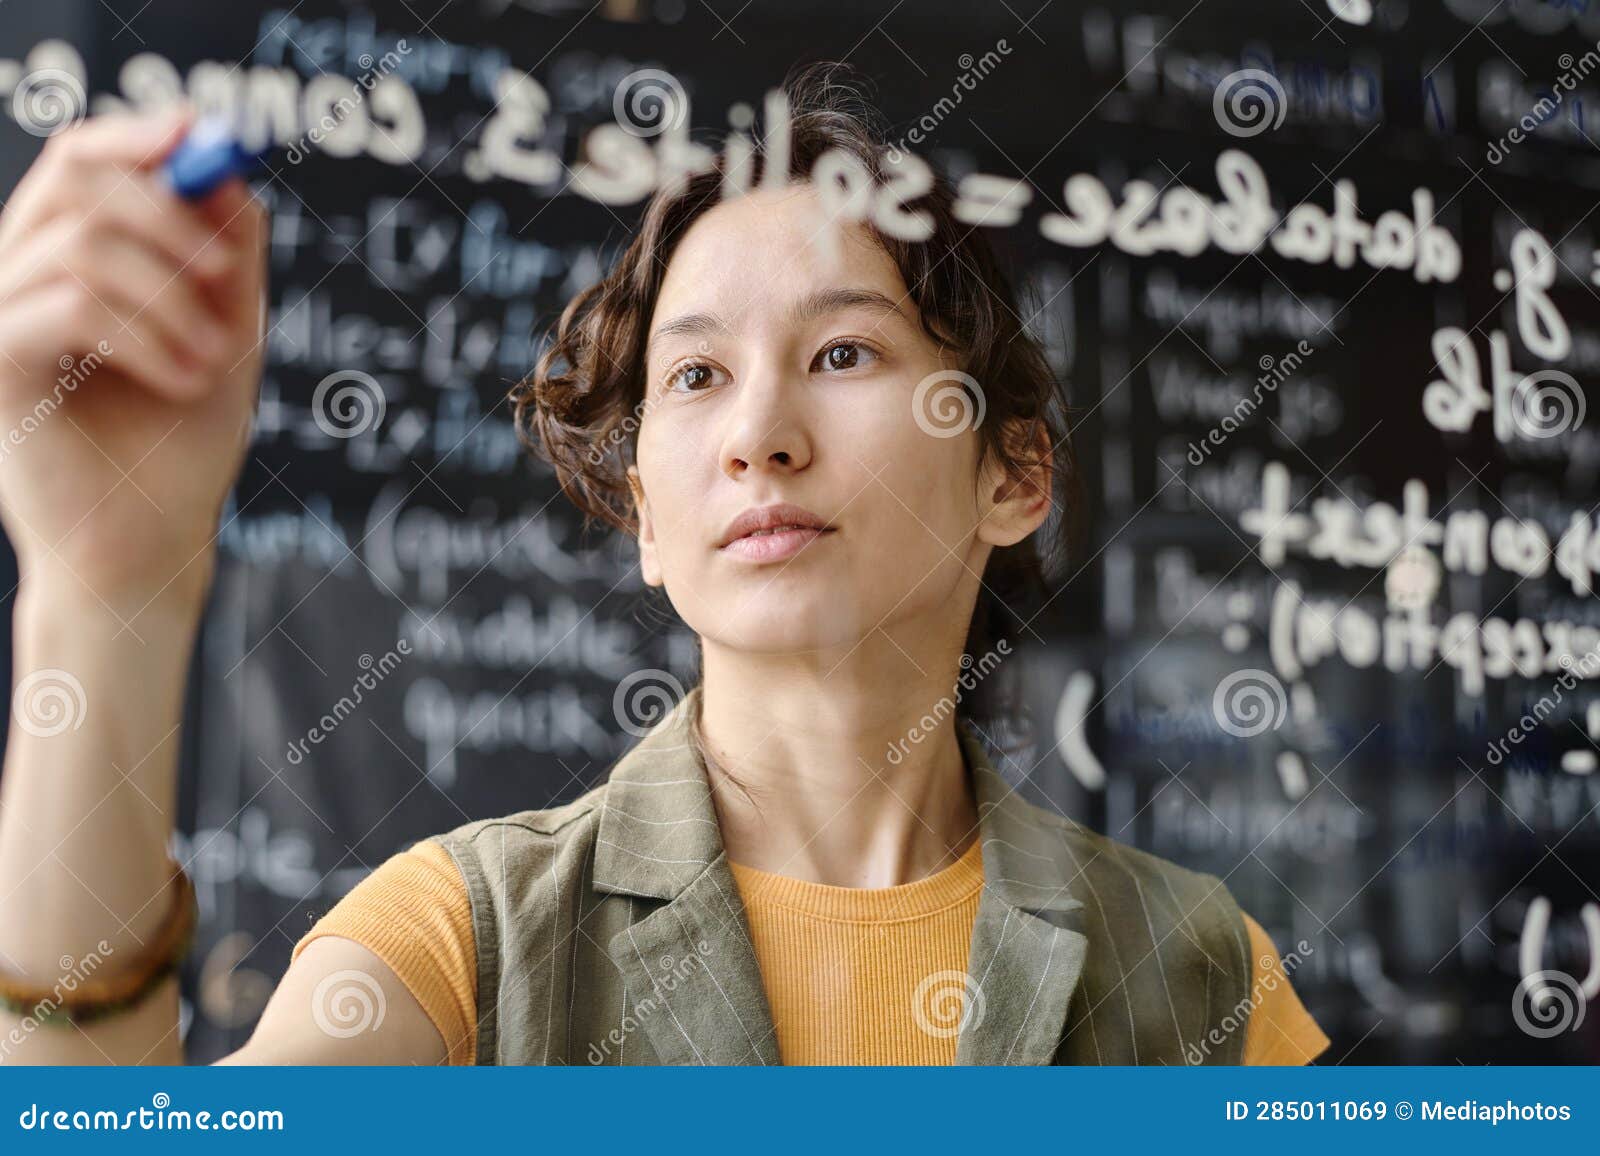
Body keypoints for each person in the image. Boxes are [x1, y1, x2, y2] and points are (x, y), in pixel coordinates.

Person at [0, 63, 1329, 1066]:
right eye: (695, 375)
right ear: (644, 515)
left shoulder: (1201, 968)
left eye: (844, 353)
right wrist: (104, 592)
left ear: (1012, 474)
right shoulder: (465, 943)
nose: (758, 435)